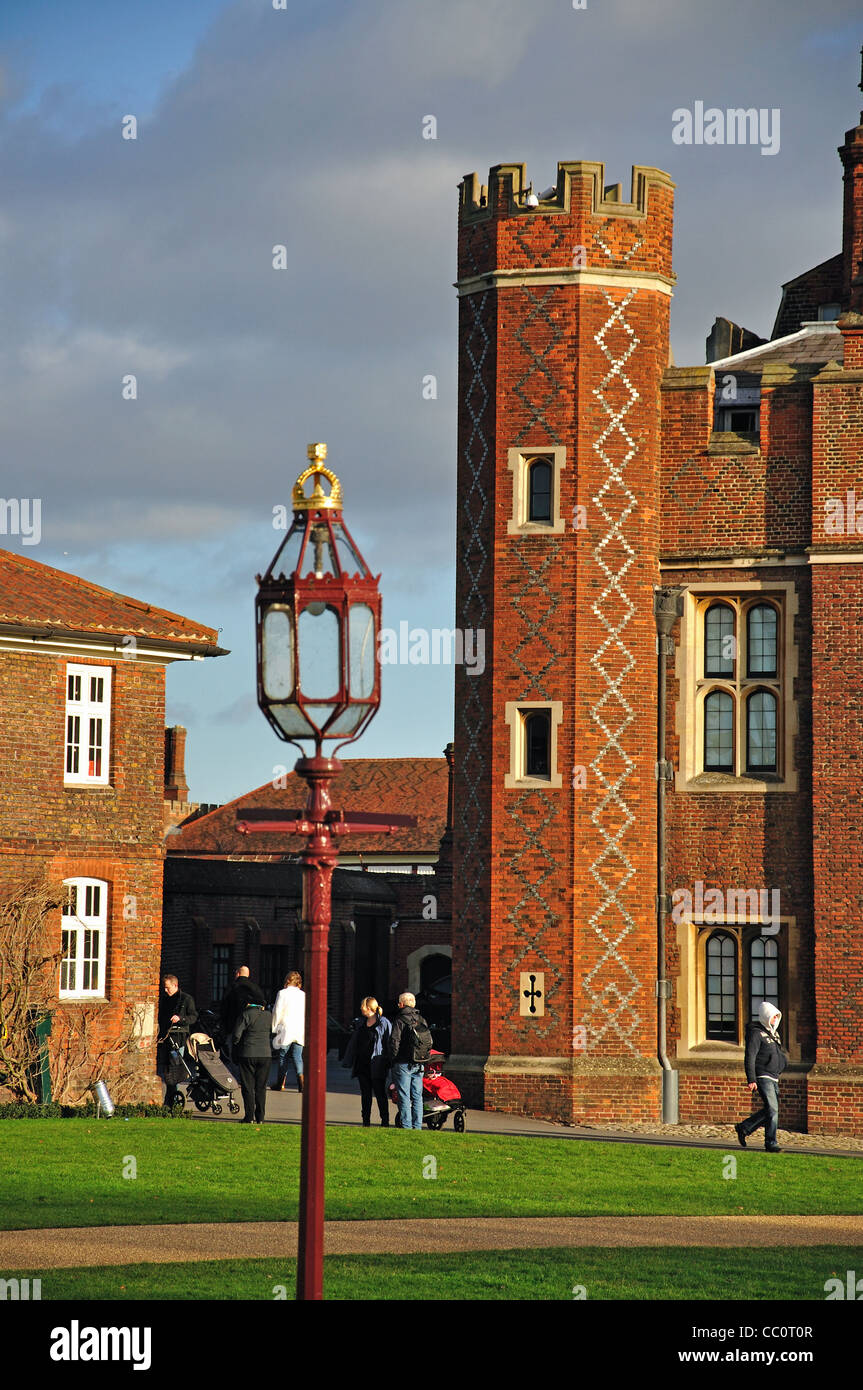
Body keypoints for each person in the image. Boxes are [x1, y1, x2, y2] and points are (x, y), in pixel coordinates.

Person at [735, 1000, 787, 1152]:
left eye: (777, 1017)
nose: (776, 1019)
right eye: (773, 1016)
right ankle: (771, 1143)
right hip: (763, 1076)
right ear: (766, 1016)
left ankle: (744, 1128)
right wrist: (751, 1079)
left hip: (774, 1076)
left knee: (771, 1110)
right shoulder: (756, 1034)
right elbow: (750, 1056)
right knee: (772, 1109)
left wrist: (783, 1064)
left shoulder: (775, 1035)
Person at [343, 997, 392, 1126]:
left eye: (362, 1006)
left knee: (380, 1093)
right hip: (362, 1064)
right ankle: (366, 1121)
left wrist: (388, 1060)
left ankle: (385, 1121)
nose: (360, 1008)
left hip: (377, 1064)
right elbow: (354, 1042)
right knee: (365, 1094)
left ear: (369, 1008)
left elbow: (389, 1042)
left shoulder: (384, 1023)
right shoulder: (360, 1023)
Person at [388, 991, 432, 1130]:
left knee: (404, 1096)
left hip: (403, 1063)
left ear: (402, 1004)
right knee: (417, 1096)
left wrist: (393, 1059)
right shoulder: (421, 1019)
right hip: (419, 1062)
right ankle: (417, 1126)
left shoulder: (400, 1019)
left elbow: (394, 1041)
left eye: (399, 1003)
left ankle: (407, 1126)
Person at [232, 996, 274, 1124]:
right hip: (265, 1054)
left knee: (248, 1086)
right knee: (261, 1087)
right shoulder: (269, 1015)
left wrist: (236, 1045)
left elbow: (236, 1035)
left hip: (248, 1053)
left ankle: (249, 1117)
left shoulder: (245, 1014)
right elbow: (273, 1032)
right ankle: (260, 1117)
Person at [157, 975, 196, 1107]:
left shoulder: (186, 999)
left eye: (168, 988)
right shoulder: (165, 1000)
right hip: (165, 1038)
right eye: (164, 988)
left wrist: (181, 1019)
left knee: (174, 1068)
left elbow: (193, 1017)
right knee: (167, 1069)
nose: (166, 991)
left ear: (175, 985)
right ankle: (170, 1098)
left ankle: (171, 1100)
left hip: (178, 1038)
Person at [270, 970, 305, 1092]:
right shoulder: (303, 995)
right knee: (297, 1056)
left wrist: (274, 1027)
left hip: (285, 1028)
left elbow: (277, 1011)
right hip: (299, 1029)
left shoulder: (282, 993)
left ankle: (280, 1083)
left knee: (282, 1056)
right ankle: (301, 1082)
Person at [220, 966, 266, 1056]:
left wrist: (224, 1026)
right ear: (248, 974)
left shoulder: (232, 987)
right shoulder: (256, 988)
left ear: (238, 974)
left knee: (233, 1054)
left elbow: (224, 1008)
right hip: (251, 1027)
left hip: (233, 1025)